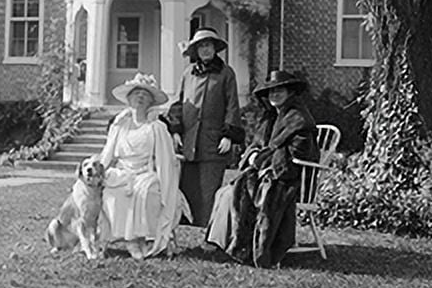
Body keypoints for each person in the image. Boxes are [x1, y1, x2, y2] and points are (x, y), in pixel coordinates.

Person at [205, 70, 319, 268]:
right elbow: (256, 145)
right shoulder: (270, 118)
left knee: (248, 194)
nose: (274, 95)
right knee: (226, 192)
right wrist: (253, 156)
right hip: (266, 172)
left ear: (290, 92)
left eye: (279, 91)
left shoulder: (298, 119)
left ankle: (248, 246)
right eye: (271, 92)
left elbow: (299, 155)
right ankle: (224, 243)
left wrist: (264, 161)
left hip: (289, 179)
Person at [98, 73, 190, 259]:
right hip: (123, 172)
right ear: (129, 99)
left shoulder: (156, 128)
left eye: (145, 95)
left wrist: (167, 184)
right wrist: (96, 172)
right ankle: (128, 240)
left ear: (151, 102)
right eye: (136, 93)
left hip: (145, 172)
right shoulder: (119, 125)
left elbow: (165, 161)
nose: (140, 97)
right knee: (110, 189)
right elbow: (107, 156)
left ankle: (144, 238)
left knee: (147, 190)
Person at [167, 27, 244, 235]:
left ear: (215, 48)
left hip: (213, 140)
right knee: (189, 188)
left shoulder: (226, 73)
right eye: (201, 46)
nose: (205, 50)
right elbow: (178, 103)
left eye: (208, 45)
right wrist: (175, 130)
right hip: (190, 140)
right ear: (196, 51)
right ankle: (188, 226)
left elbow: (232, 105)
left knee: (210, 188)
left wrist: (228, 134)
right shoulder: (187, 74)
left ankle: (211, 233)